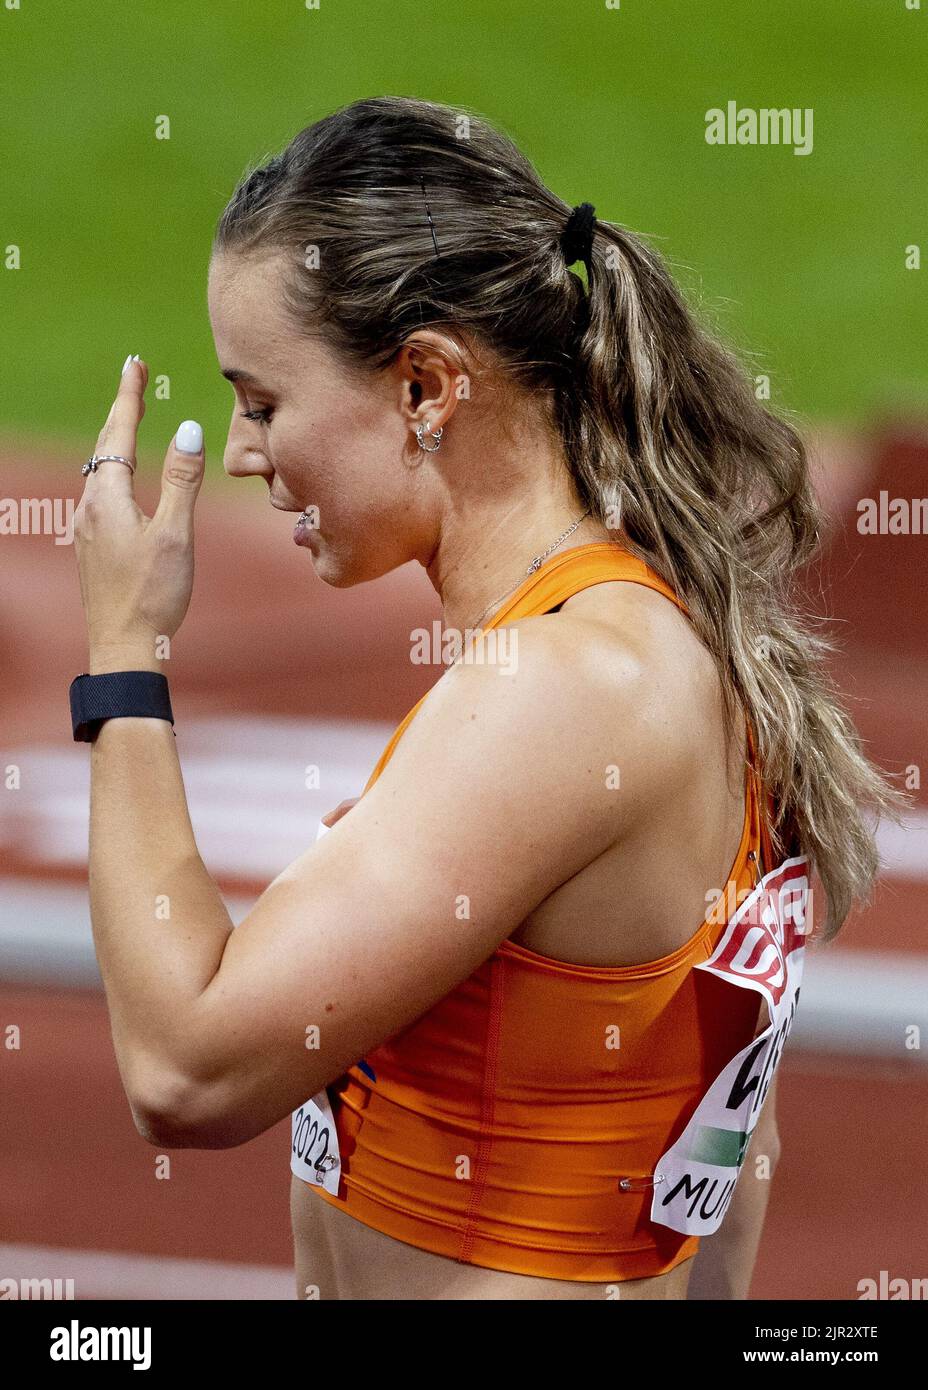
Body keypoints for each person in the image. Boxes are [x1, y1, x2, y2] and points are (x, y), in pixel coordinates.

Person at [71, 96, 906, 1301]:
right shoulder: (659, 643)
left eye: (264, 404)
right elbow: (730, 1159)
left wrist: (123, 657)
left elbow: (185, 1071)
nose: (247, 454)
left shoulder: (571, 692)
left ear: (425, 384)